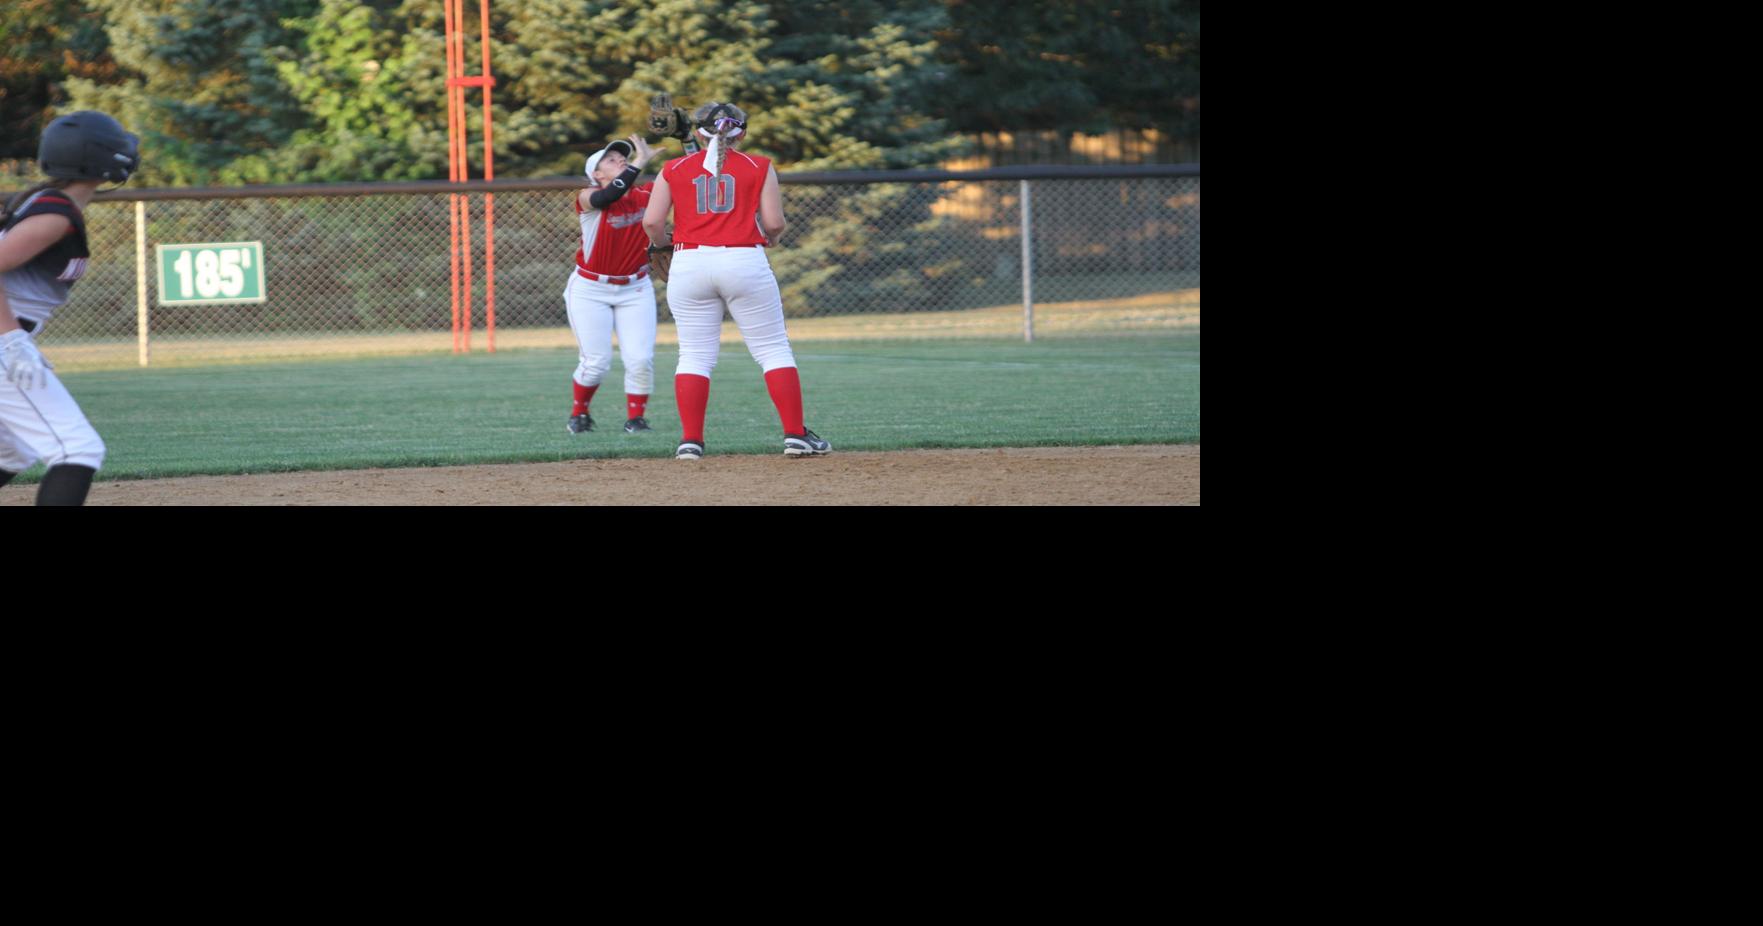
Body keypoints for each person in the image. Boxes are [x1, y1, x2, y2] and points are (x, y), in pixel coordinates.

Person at [641, 102, 830, 461]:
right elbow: (773, 223)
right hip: (743, 259)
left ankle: (690, 442)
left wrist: (664, 245)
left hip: (690, 260)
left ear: (698, 133)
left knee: (694, 355)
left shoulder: (673, 168)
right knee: (772, 350)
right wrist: (771, 241)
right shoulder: (759, 165)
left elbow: (652, 222)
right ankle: (795, 435)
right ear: (741, 133)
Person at [0, 111, 140, 506]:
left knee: (12, 451)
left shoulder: (44, 202)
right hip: (2, 344)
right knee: (77, 449)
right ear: (98, 159)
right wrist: (11, 341)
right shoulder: (53, 216)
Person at [565, 134, 664, 435]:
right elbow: (607, 197)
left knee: (640, 359)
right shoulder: (588, 198)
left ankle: (636, 419)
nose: (620, 160)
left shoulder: (646, 195)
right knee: (596, 362)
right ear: (597, 174)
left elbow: (684, 181)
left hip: (635, 287)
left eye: (622, 157)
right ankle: (579, 414)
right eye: (610, 159)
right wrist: (639, 162)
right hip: (589, 288)